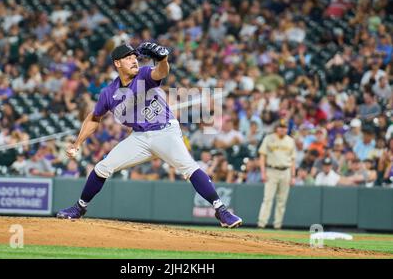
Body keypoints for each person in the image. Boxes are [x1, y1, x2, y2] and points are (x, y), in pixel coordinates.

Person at [56, 43, 242, 228]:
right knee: (103, 167)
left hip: (165, 132)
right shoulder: (108, 93)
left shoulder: (144, 74)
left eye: (134, 56)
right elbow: (94, 117)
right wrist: (77, 143)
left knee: (188, 167)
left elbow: (161, 72)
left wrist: (163, 59)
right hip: (139, 138)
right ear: (117, 63)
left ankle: (221, 211)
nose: (134, 60)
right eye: (128, 57)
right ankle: (79, 208)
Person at [257, 119, 296, 229]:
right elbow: (262, 156)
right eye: (280, 127)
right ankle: (261, 223)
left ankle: (277, 225)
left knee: (281, 200)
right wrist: (263, 172)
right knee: (268, 199)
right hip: (272, 170)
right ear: (276, 128)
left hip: (286, 171)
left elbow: (293, 160)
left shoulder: (290, 140)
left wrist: (293, 176)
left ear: (287, 129)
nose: (282, 129)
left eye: (284, 127)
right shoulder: (269, 138)